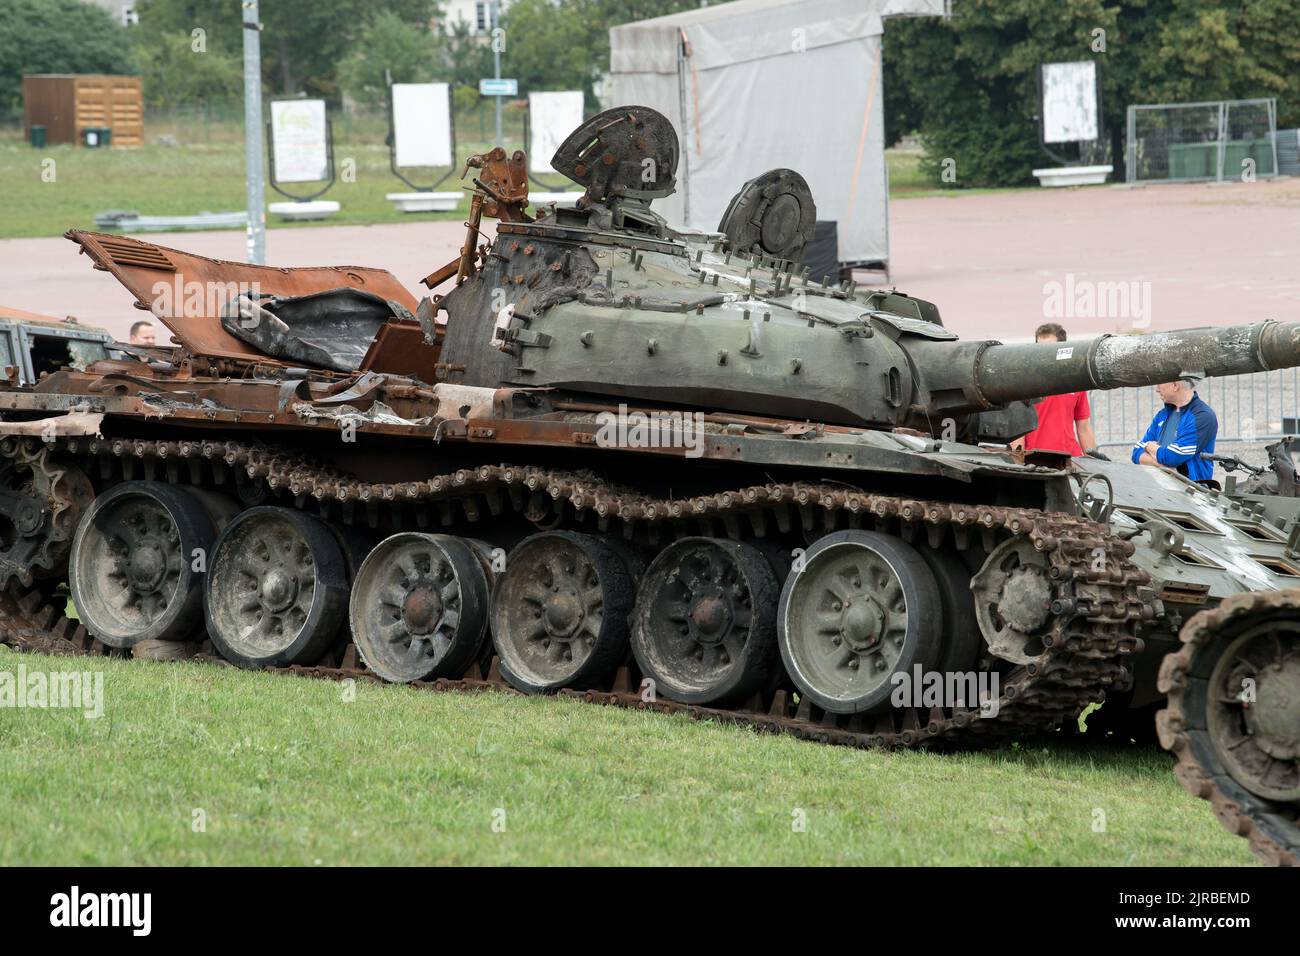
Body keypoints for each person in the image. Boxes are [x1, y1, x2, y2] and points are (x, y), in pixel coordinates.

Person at [1014, 323, 1102, 458]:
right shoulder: (1025, 382)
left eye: (1049, 348)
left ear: (1062, 348)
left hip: (1069, 459)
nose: (1043, 354)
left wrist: (1096, 463)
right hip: (1036, 461)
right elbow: (1017, 430)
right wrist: (1018, 463)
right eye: (1039, 348)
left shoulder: (1075, 381)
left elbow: (1083, 427)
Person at [1131, 379, 1218, 485]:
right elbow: (1136, 453)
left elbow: (1172, 457)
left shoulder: (1202, 416)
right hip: (1158, 489)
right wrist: (1166, 469)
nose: (1157, 389)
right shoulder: (1162, 414)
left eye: (1160, 383)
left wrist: (1149, 446)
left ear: (1175, 385)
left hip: (1192, 493)